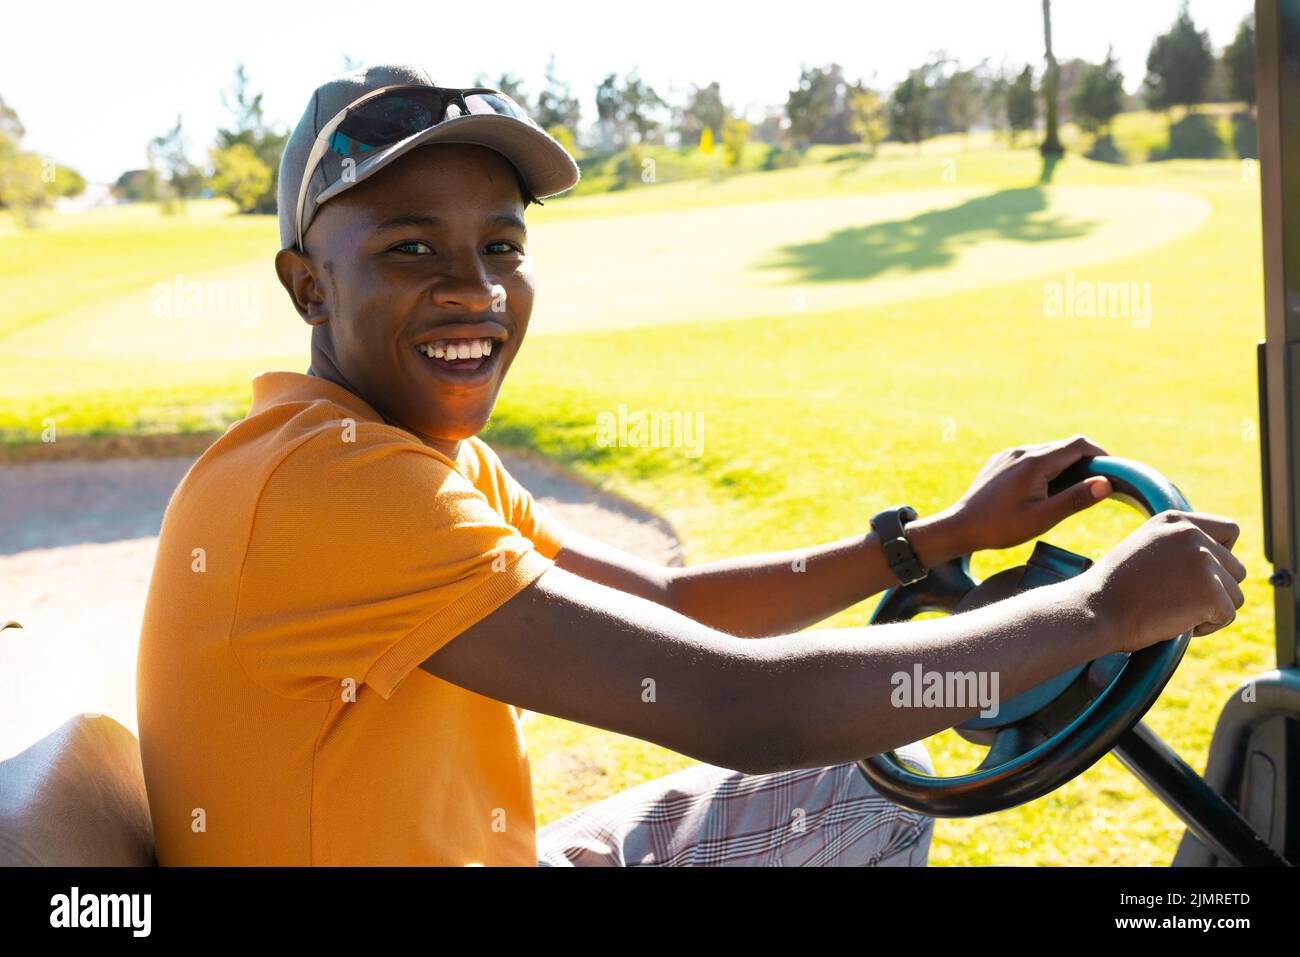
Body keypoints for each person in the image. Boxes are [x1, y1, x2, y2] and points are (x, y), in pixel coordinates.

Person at [135, 63, 1246, 867]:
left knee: (860, 779)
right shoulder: (327, 487)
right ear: (306, 285)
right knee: (852, 763)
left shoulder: (405, 458)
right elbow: (732, 705)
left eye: (503, 246)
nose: (473, 289)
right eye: (409, 246)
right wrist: (1100, 609)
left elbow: (675, 607)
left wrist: (932, 541)